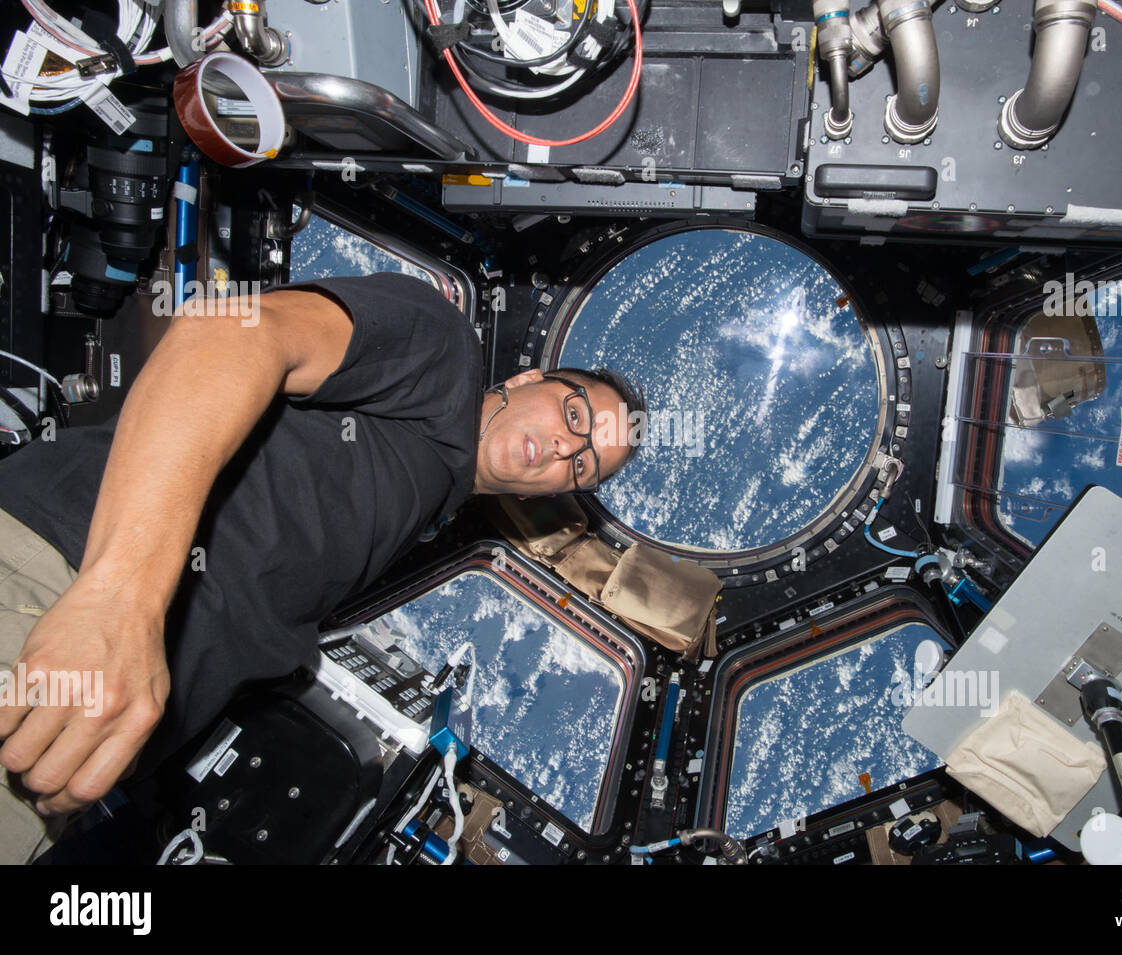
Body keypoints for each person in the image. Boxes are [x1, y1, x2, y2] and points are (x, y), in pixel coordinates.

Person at [0, 272, 643, 863]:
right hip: (59, 593)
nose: (566, 446)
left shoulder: (428, 509)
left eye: (581, 465)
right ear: (528, 381)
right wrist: (118, 598)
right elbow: (229, 332)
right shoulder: (444, 351)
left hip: (96, 727)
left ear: (542, 494)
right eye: (575, 414)